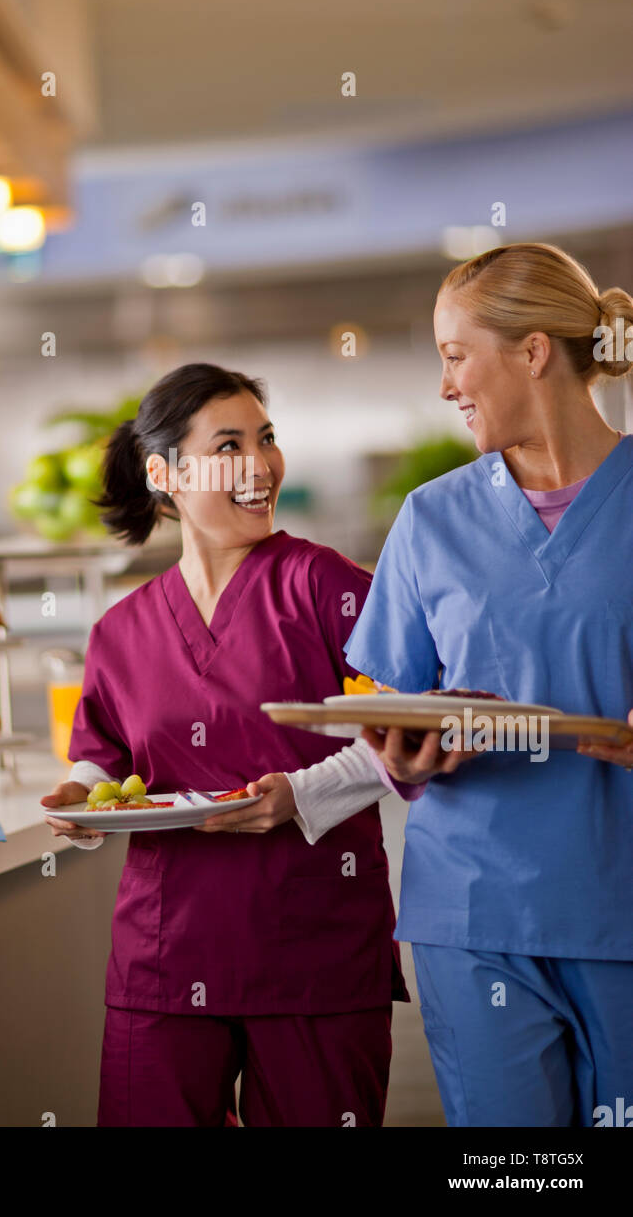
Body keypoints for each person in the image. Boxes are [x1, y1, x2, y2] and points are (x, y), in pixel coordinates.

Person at [242, 243, 633, 1127]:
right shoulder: (432, 518)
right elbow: (391, 714)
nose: (446, 385)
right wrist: (407, 754)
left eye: (456, 355)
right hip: (473, 914)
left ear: (532, 352)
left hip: (620, 905)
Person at [42, 362, 417, 1127]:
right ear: (165, 473)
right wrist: (80, 794)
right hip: (165, 957)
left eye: (267, 438)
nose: (260, 465)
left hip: (312, 951)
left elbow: (412, 724)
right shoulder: (121, 628)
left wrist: (301, 795)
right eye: (229, 445)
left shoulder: (326, 587)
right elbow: (104, 753)